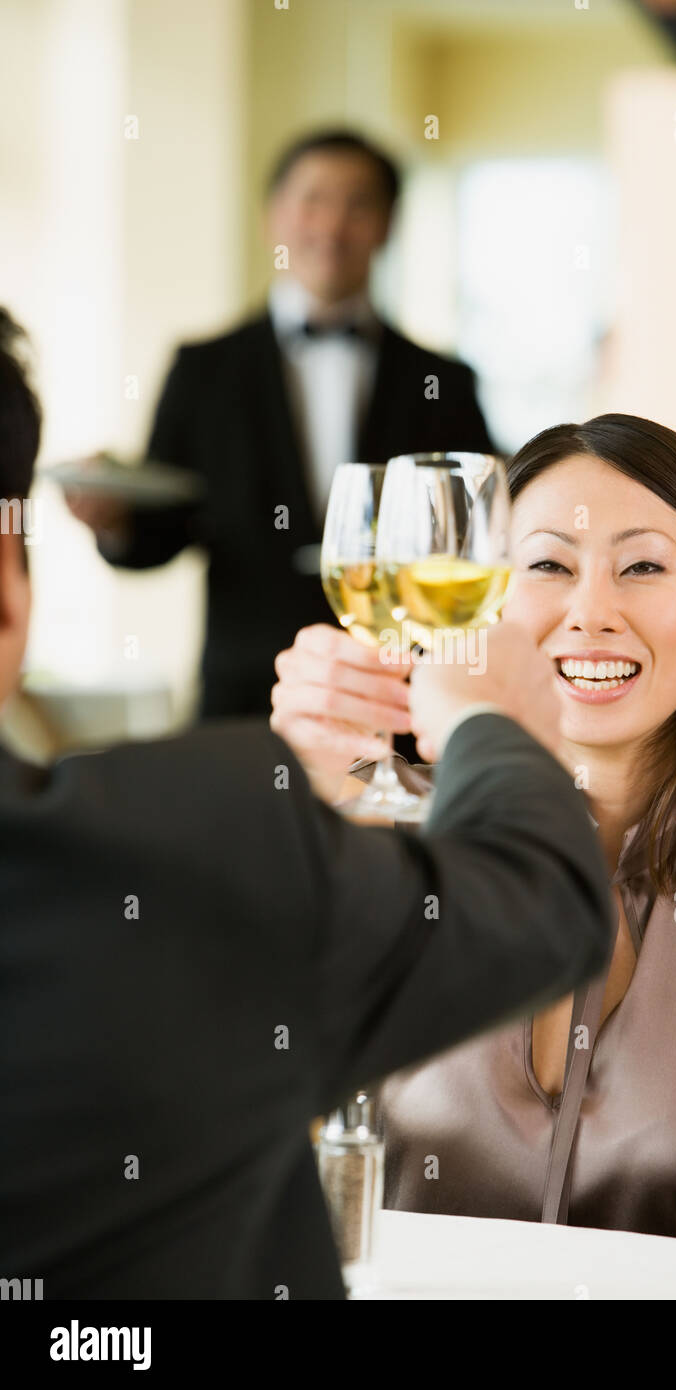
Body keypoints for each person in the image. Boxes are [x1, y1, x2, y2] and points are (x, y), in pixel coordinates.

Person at [0, 310, 611, 1299]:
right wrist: (478, 727)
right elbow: (536, 902)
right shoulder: (195, 852)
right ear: (6, 588)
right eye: (547, 564)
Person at [271, 414, 676, 1257]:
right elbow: (250, 1212)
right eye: (547, 564)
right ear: (483, 592)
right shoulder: (367, 842)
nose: (592, 612)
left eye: (644, 566)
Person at [63, 129, 495, 720]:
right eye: (313, 200)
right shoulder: (203, 369)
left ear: (389, 225)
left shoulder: (445, 378)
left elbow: (475, 530)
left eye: (359, 204)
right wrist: (114, 522)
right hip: (243, 696)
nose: (334, 225)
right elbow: (164, 526)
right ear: (275, 217)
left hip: (398, 698)